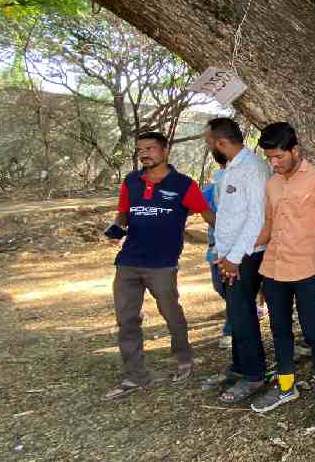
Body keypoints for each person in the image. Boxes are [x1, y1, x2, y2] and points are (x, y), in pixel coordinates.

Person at [249, 122, 315, 430]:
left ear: (295, 151)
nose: (274, 164)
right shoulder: (272, 184)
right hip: (273, 268)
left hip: (305, 271)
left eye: (278, 157)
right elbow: (268, 222)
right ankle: (286, 385)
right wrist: (242, 251)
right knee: (279, 330)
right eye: (269, 158)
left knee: (314, 332)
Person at [103, 131, 214, 400]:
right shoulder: (131, 182)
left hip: (162, 264)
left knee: (171, 313)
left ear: (165, 151)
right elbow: (124, 214)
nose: (144, 153)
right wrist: (116, 229)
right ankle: (135, 375)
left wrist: (234, 237)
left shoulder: (183, 184)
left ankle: (184, 358)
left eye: (151, 148)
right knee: (126, 319)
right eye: (141, 149)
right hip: (128, 262)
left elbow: (208, 215)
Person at [204, 117, 272, 404]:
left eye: (209, 144)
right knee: (236, 313)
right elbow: (231, 216)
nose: (209, 149)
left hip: (245, 256)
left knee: (244, 316)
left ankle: (254, 375)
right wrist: (223, 254)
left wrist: (233, 258)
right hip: (229, 255)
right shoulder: (231, 169)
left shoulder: (253, 168)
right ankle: (239, 367)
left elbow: (257, 218)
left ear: (221, 143)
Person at [201, 149, 231, 349]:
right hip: (216, 247)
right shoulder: (212, 187)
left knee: (232, 289)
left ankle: (230, 330)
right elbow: (201, 207)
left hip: (238, 246)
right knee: (219, 286)